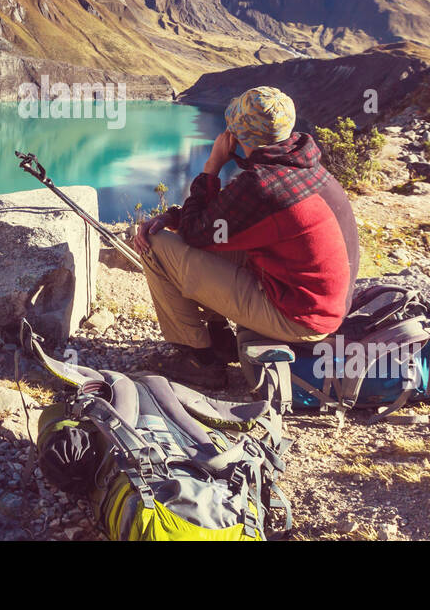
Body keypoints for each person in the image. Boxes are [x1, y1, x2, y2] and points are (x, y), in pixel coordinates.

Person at [132, 86, 359, 388]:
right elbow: (225, 217)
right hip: (321, 304)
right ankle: (218, 340)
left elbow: (198, 232)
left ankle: (198, 359)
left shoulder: (262, 185)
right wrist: (174, 217)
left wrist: (212, 167)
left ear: (237, 136)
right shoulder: (302, 165)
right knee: (197, 241)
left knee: (156, 246)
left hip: (300, 318)